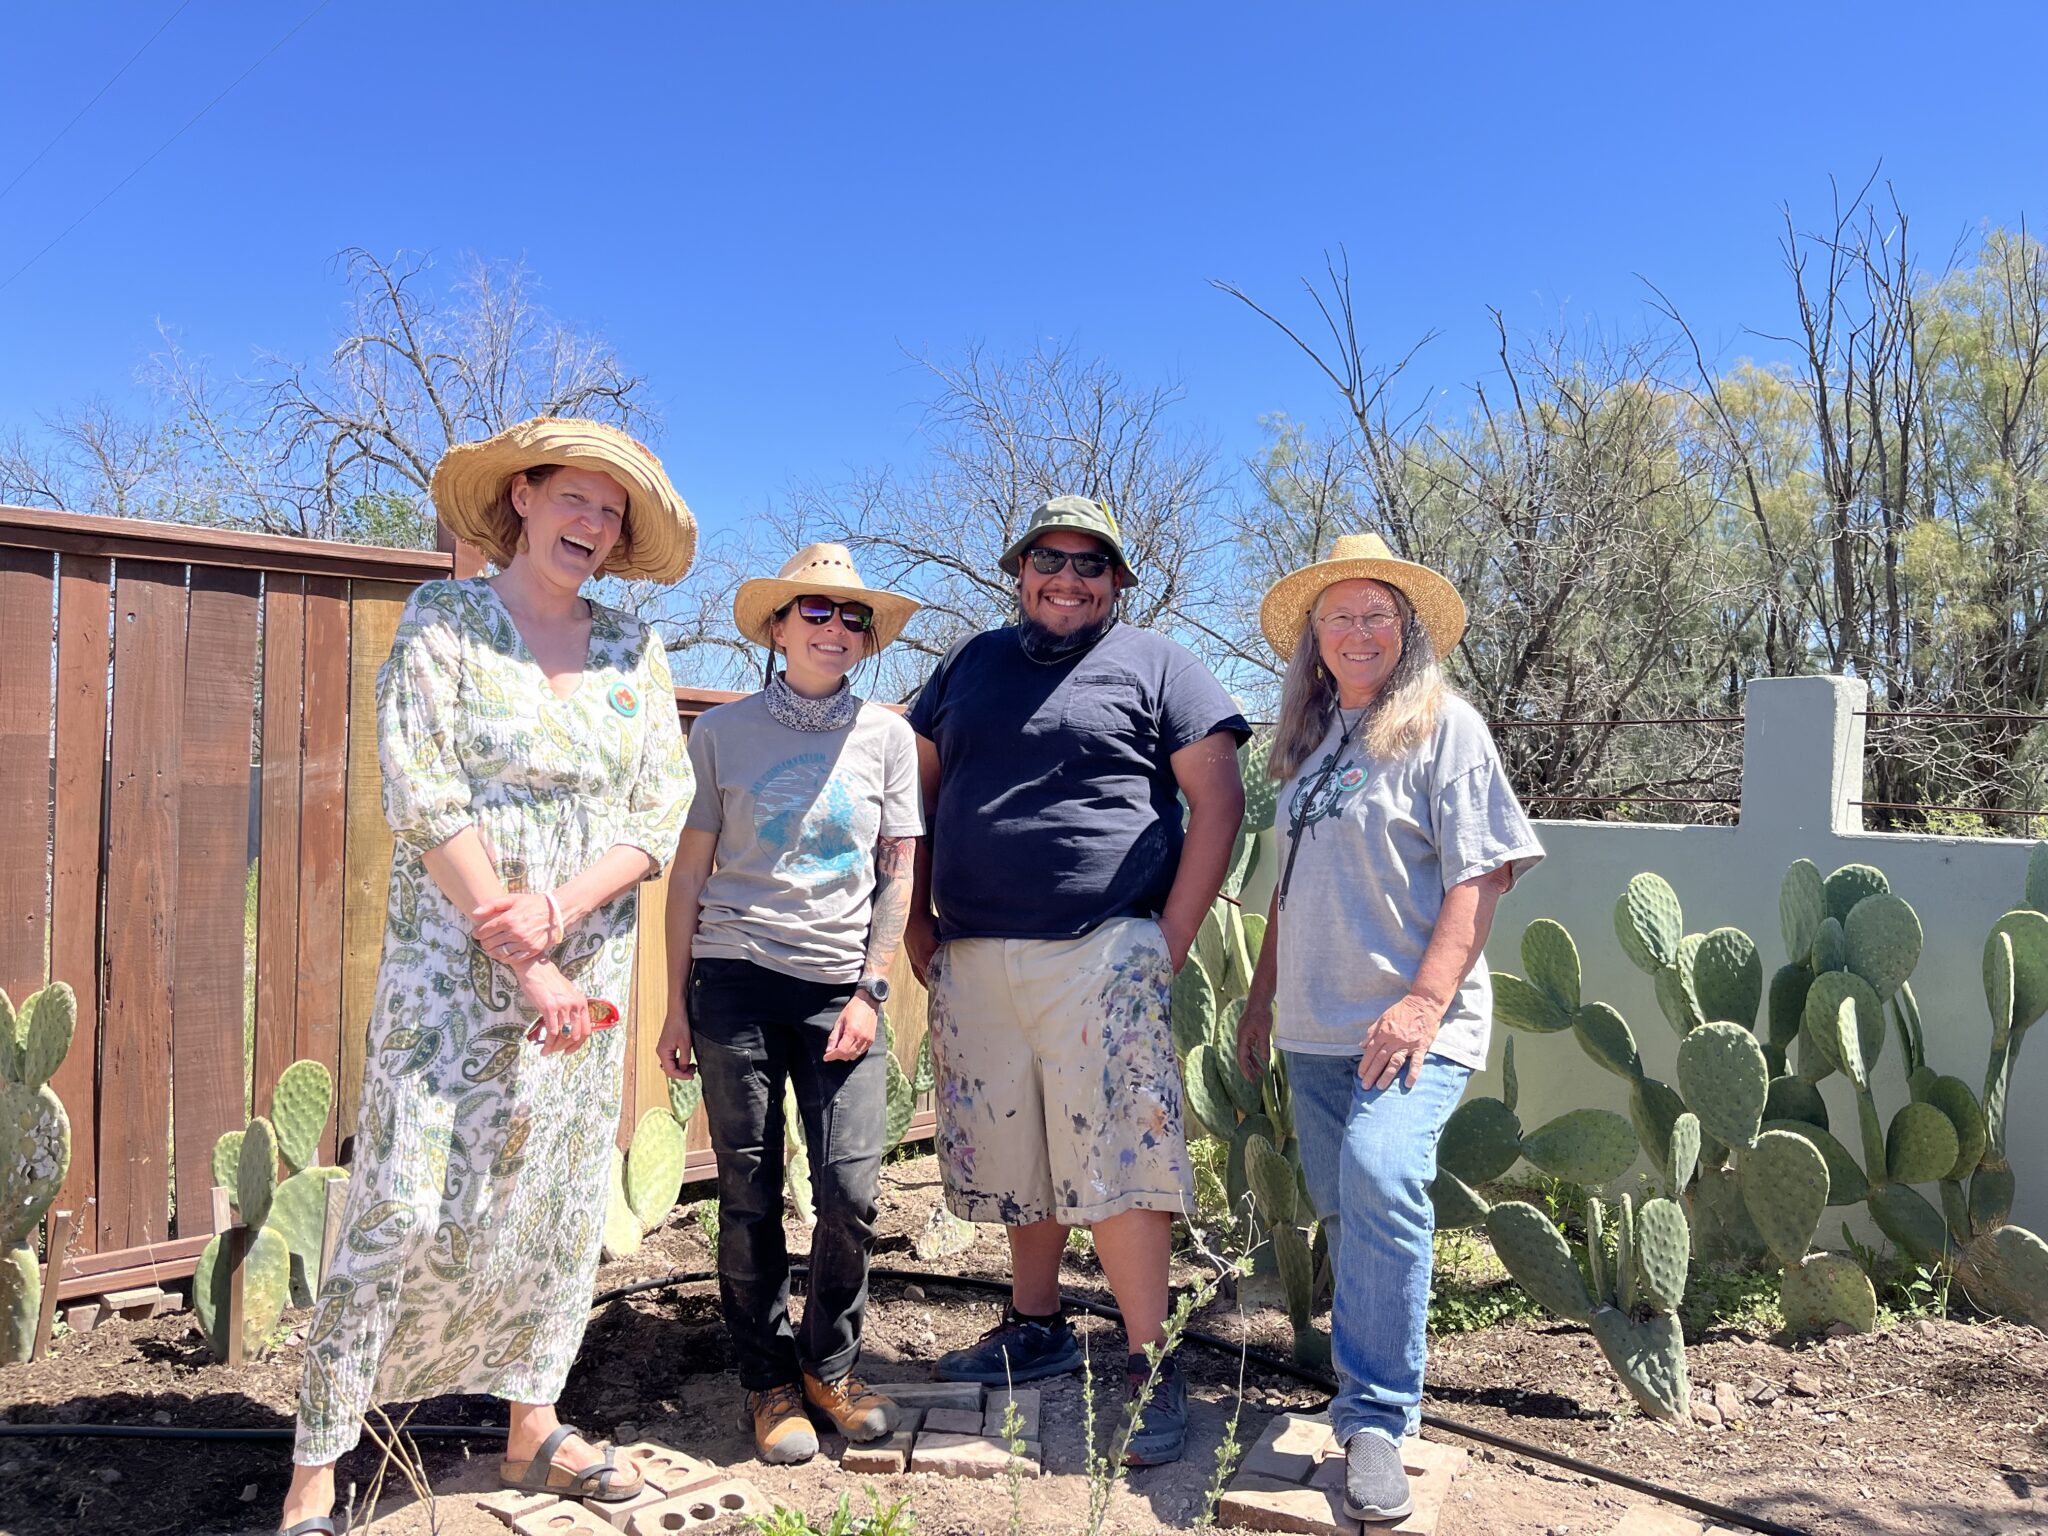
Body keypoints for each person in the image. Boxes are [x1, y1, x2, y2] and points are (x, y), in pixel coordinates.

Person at [279, 419, 697, 1536]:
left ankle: (532, 1427)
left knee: (554, 1200)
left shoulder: (632, 649)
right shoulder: (446, 622)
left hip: (588, 955)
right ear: (521, 496)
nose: (593, 526)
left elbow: (657, 810)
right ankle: (316, 1472)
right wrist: (524, 955)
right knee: (403, 1204)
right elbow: (422, 794)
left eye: (612, 514)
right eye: (576, 500)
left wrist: (562, 916)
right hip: (453, 966)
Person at [905, 495, 1248, 1466]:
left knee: (1122, 1162)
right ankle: (1036, 1325)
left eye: (1088, 564)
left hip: (1103, 949)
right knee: (1017, 1150)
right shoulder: (967, 667)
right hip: (973, 955)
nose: (1066, 578)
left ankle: (1149, 1358)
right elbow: (912, 792)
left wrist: (1168, 938)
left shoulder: (1160, 665)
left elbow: (1215, 799)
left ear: (1116, 582)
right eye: (1047, 560)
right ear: (1017, 571)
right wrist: (913, 919)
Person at [1235, 533, 1543, 1523]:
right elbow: (1289, 890)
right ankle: (1367, 1390)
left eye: (1375, 614)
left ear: (1403, 630)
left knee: (1378, 1178)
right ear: (1314, 641)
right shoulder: (1307, 746)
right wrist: (1257, 996)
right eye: (1339, 616)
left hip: (1414, 1026)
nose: (1358, 631)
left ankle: (1376, 1418)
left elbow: (1477, 875)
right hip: (1314, 1029)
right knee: (1344, 1203)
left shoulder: (1443, 729)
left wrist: (1420, 1002)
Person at [657, 544, 923, 1465]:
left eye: (855, 618)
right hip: (733, 980)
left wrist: (871, 988)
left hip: (836, 992)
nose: (837, 629)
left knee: (850, 1191)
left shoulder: (886, 737)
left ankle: (830, 1367)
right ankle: (767, 1381)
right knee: (748, 1189)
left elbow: (899, 869)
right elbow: (689, 871)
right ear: (777, 627)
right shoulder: (722, 733)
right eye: (816, 610)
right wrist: (671, 1004)